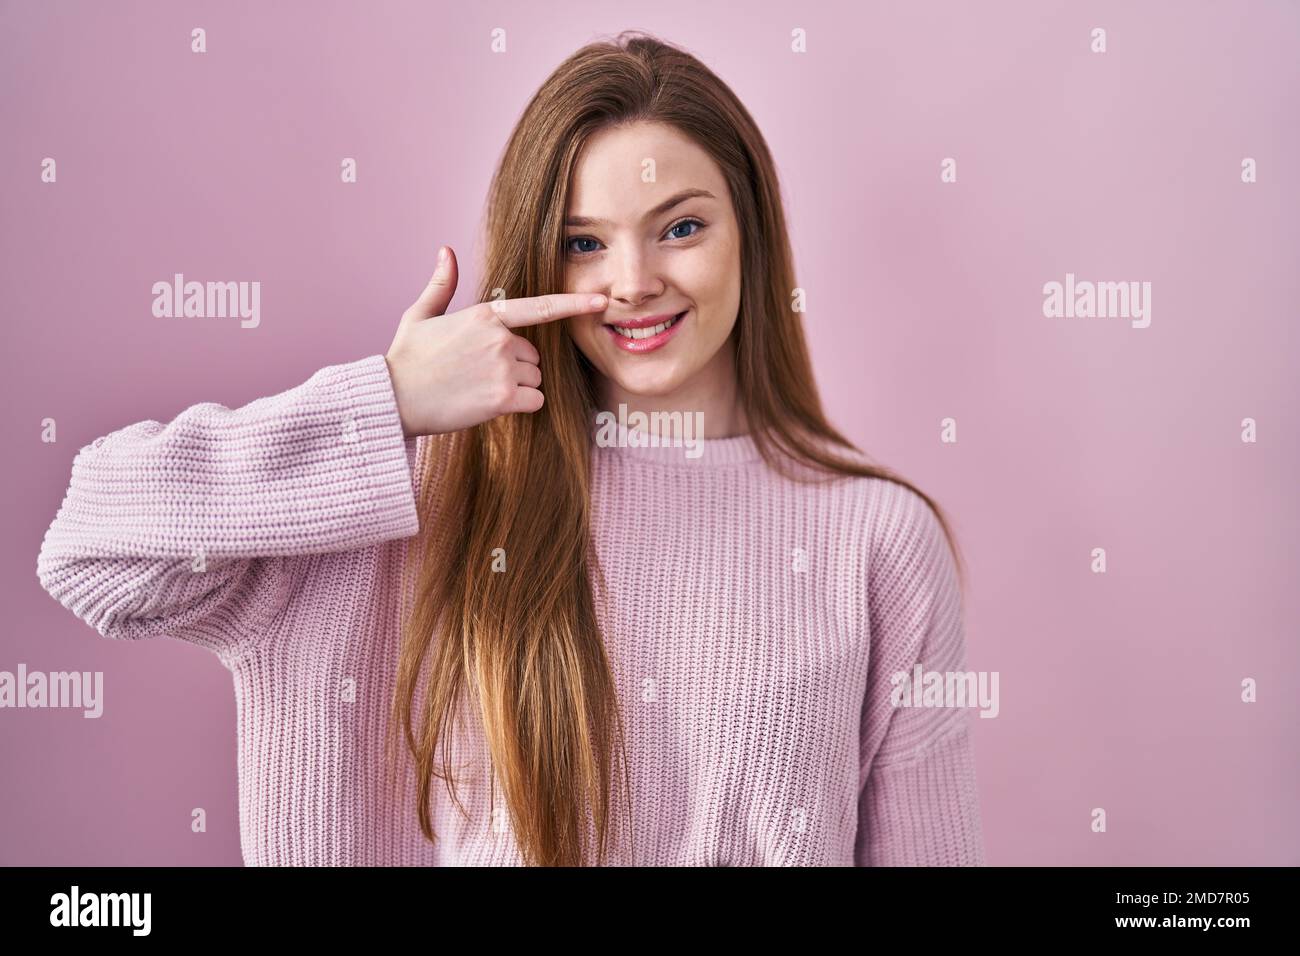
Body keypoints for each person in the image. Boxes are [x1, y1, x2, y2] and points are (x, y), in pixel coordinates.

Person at [36, 31, 985, 867]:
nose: (633, 283)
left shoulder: (877, 540)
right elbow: (94, 549)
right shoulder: (404, 493)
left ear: (753, 239)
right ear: (536, 256)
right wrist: (389, 402)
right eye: (583, 243)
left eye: (682, 227)